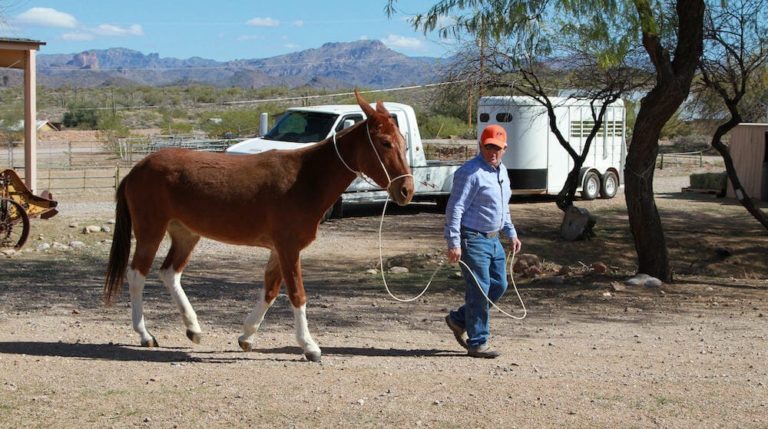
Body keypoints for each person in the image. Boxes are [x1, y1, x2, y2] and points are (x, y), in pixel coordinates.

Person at [443, 124, 522, 359]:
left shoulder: (503, 172)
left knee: (499, 285)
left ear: (505, 148)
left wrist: (511, 232)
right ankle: (478, 342)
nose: (492, 152)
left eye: (497, 148)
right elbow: (455, 209)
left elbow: (502, 207)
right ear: (480, 145)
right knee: (480, 289)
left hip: (494, 238)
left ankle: (458, 319)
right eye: (488, 147)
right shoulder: (470, 172)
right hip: (472, 238)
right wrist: (453, 242)